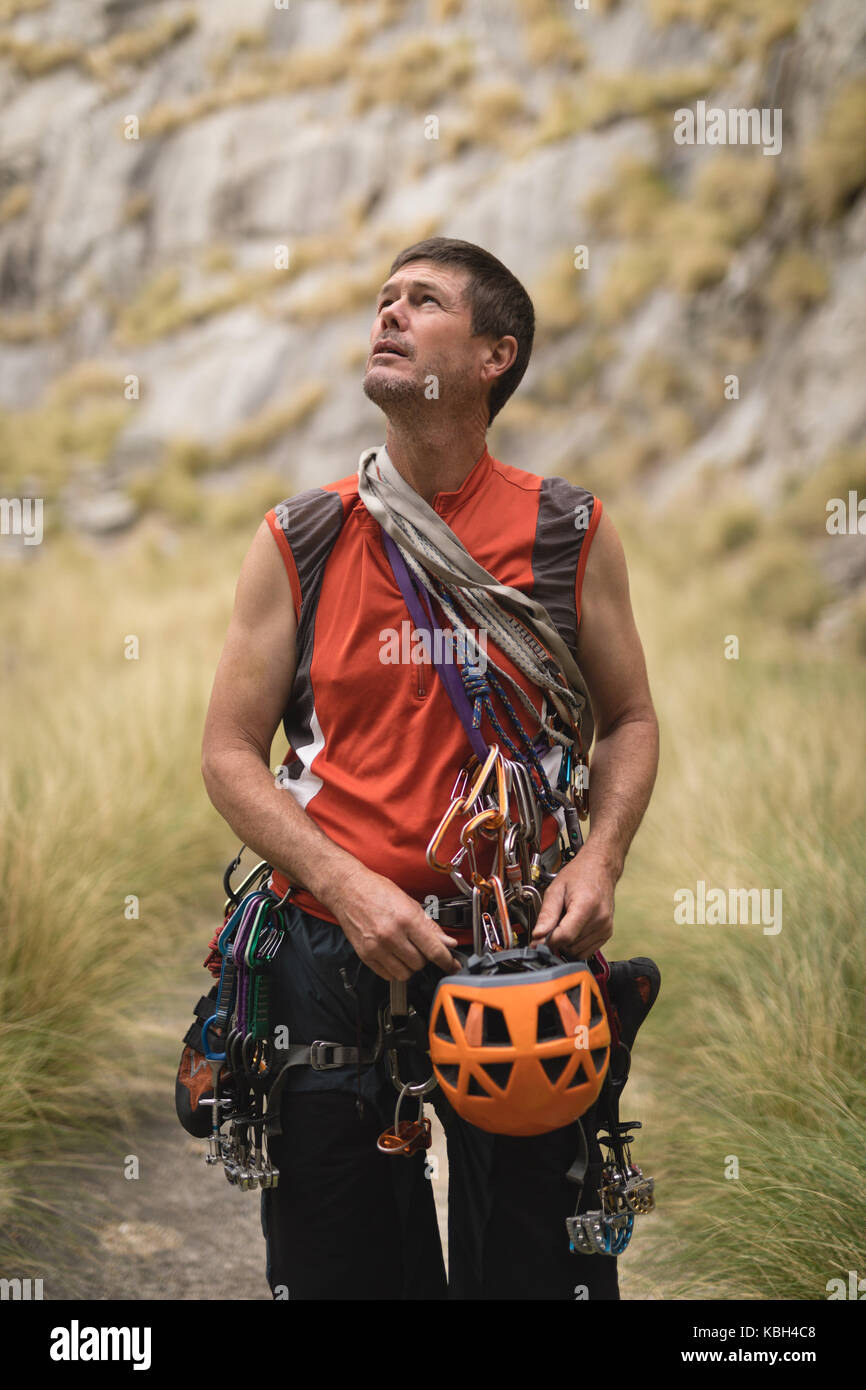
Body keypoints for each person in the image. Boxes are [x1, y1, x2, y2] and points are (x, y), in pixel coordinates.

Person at [200, 236, 659, 1300]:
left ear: (495, 355)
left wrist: (600, 861)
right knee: (340, 1274)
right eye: (381, 299)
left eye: (422, 300)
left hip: (521, 950)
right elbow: (229, 754)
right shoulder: (301, 536)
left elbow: (628, 717)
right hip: (329, 952)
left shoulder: (566, 530)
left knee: (538, 1273)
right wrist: (347, 887)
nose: (388, 315)